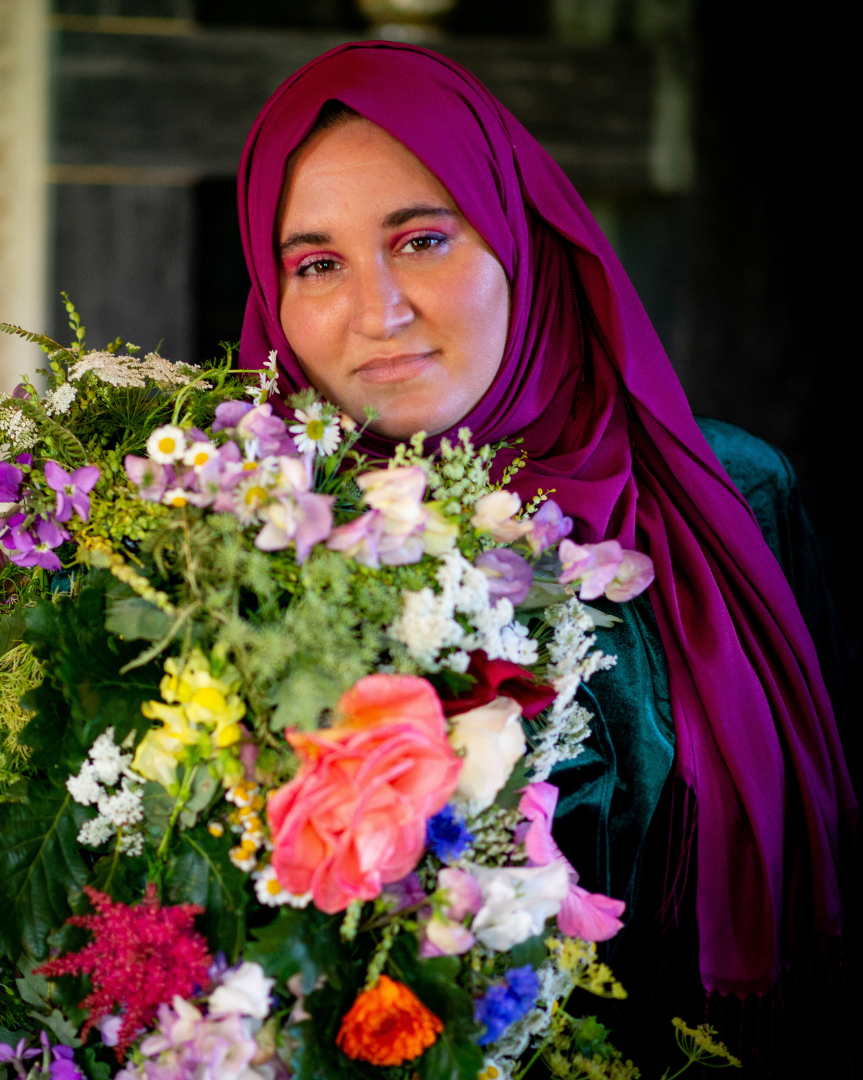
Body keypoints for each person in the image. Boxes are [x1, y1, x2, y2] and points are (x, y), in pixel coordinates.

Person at [231, 42, 857, 1073]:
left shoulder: (735, 498)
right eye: (317, 264)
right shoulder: (236, 559)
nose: (378, 312)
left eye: (423, 240)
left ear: (521, 237)